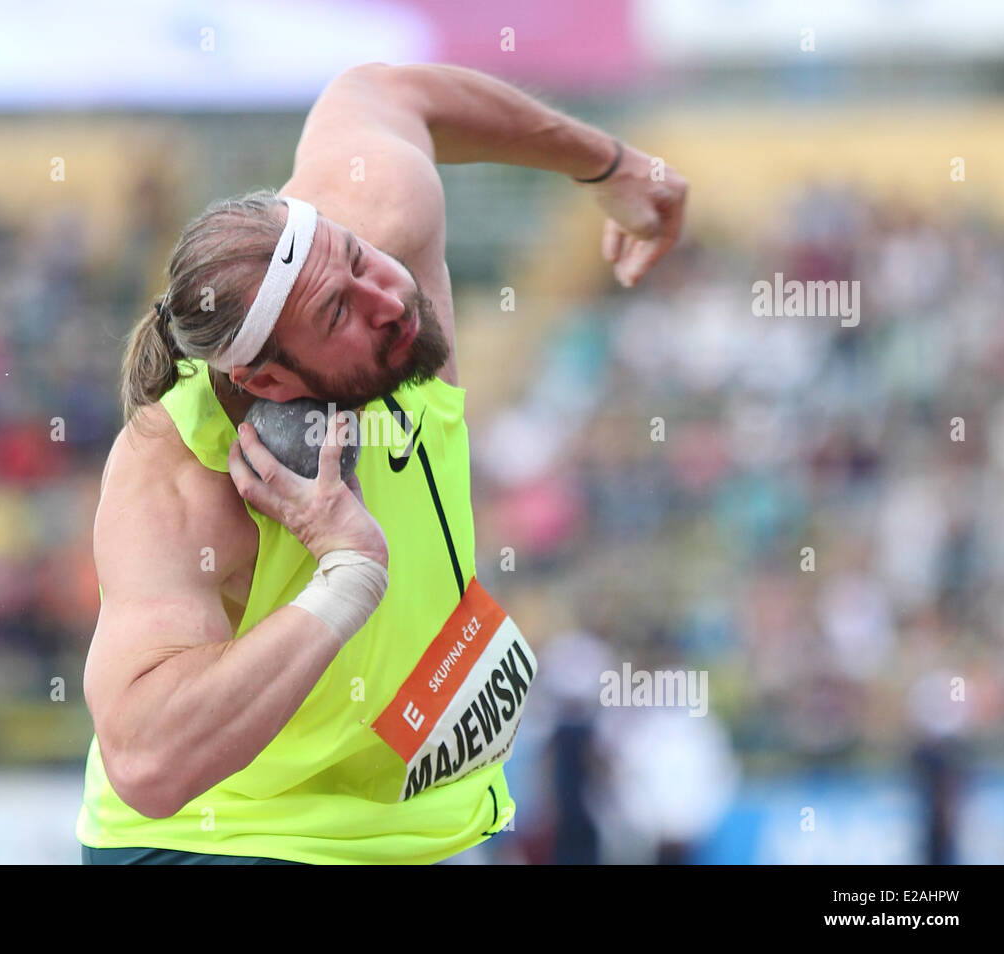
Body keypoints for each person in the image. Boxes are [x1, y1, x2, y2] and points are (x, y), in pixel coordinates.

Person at [78, 62, 687, 864]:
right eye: (341, 312)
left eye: (358, 259)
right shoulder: (178, 477)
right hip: (232, 843)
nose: (390, 298)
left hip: (431, 835)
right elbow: (147, 764)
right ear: (267, 381)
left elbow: (388, 92)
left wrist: (611, 166)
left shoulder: (382, 213)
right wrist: (346, 578)